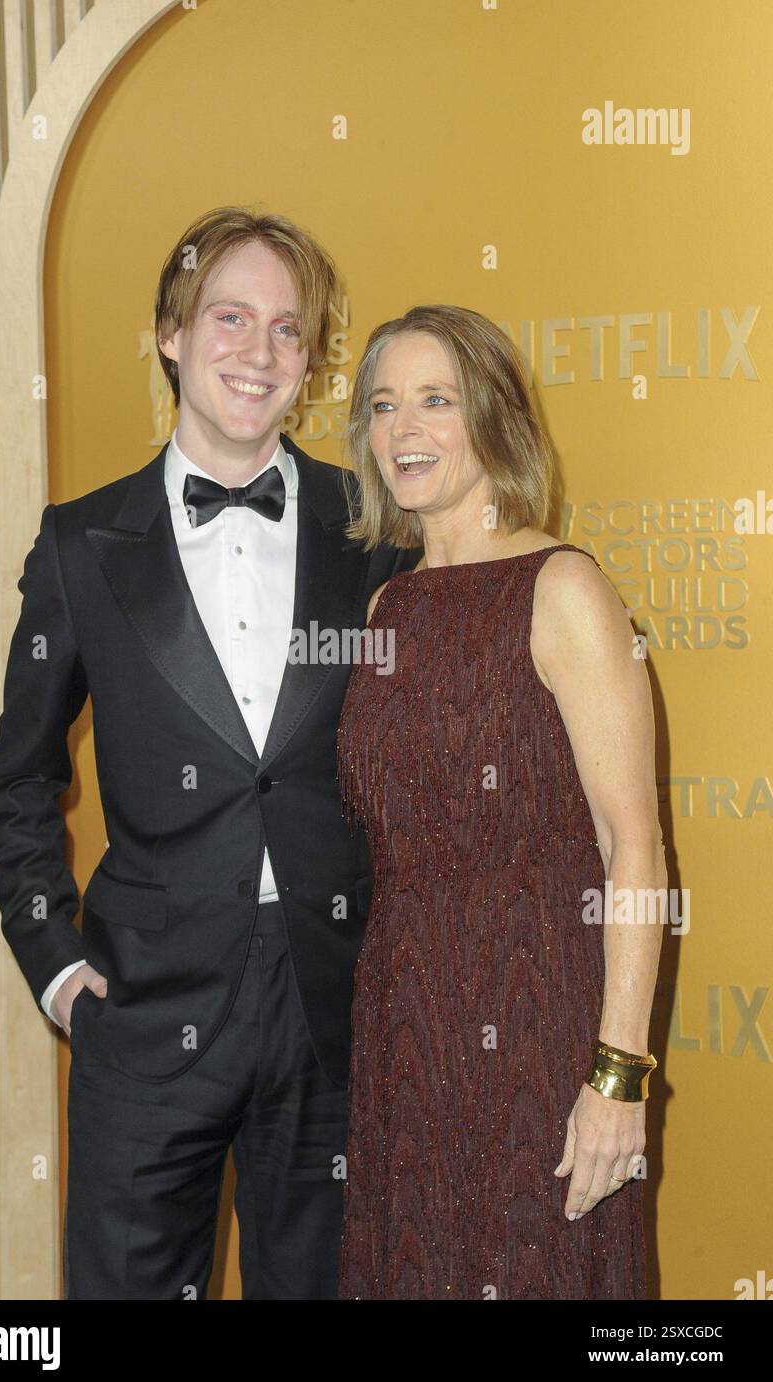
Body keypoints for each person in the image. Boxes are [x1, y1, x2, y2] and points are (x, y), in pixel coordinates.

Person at [0, 207, 419, 1300]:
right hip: (141, 1004)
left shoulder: (373, 530)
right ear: (171, 334)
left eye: (285, 330)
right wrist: (60, 973)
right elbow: (20, 780)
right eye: (229, 318)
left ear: (309, 359)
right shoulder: (80, 543)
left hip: (331, 1009)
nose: (257, 353)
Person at [335, 304, 666, 1299]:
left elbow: (634, 848)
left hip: (536, 1026)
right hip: (404, 1037)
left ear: (491, 417)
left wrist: (617, 1074)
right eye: (385, 404)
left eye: (436, 399)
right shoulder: (387, 607)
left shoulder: (561, 587)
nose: (405, 428)